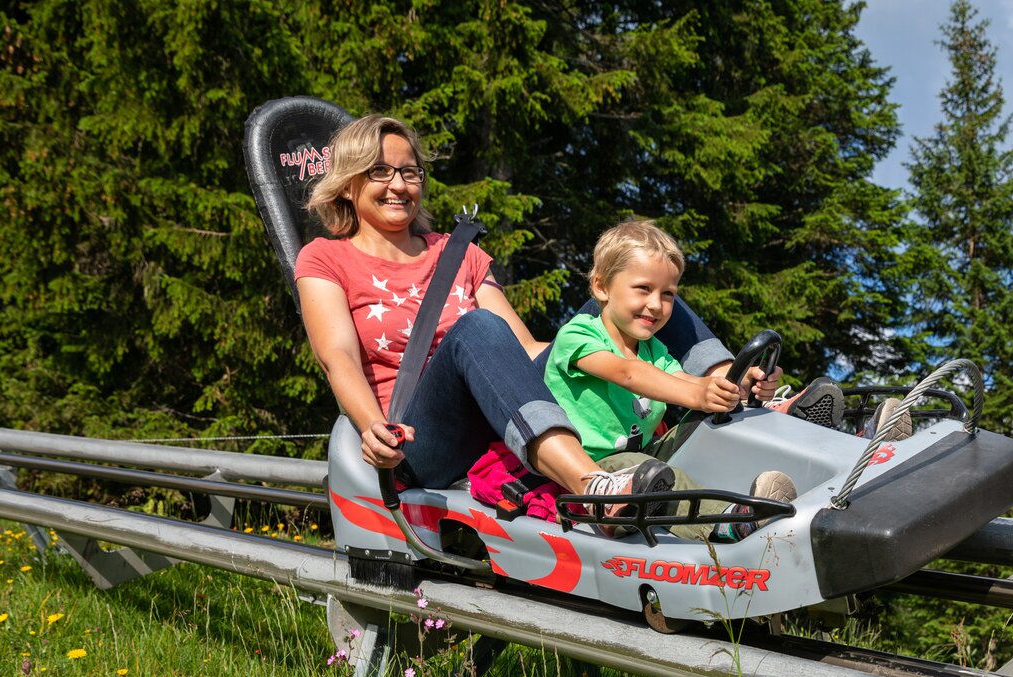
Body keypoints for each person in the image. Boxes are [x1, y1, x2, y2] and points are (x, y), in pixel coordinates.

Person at [292, 115, 764, 534]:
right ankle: (590, 487)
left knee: (643, 288)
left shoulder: (458, 254)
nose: (398, 184)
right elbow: (338, 358)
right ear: (348, 184)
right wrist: (373, 427)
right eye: (379, 171)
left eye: (409, 172)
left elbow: (524, 348)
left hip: (501, 418)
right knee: (476, 328)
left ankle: (734, 383)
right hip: (418, 438)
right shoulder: (325, 258)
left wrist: (578, 355)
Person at [546, 221, 795, 541]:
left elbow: (684, 382)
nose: (656, 304)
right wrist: (699, 394)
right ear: (601, 287)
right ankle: (726, 522)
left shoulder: (654, 349)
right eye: (643, 288)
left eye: (667, 294)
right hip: (598, 470)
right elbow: (627, 373)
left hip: (647, 452)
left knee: (706, 417)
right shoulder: (578, 334)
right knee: (652, 474)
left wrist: (737, 387)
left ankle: (772, 432)